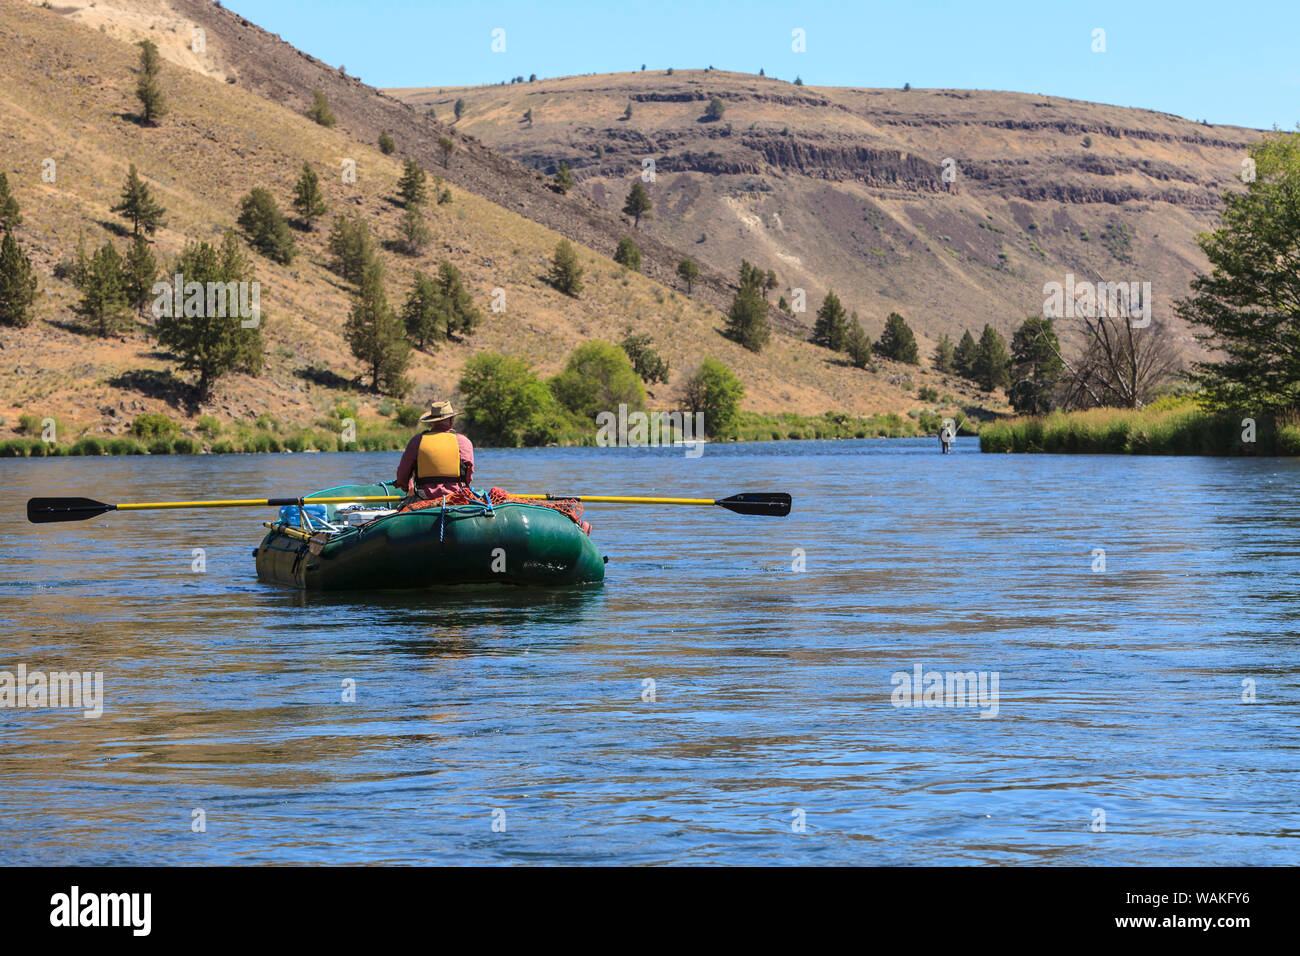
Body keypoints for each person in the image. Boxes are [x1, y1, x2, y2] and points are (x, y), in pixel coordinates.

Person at [395, 400, 475, 499]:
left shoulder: (417, 441)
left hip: (425, 496)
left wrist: (407, 488)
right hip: (457, 496)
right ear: (452, 420)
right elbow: (469, 474)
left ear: (432, 421)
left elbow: (403, 474)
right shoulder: (463, 441)